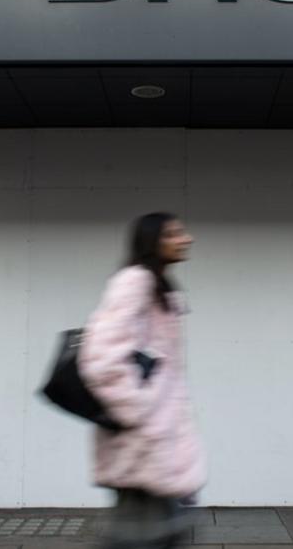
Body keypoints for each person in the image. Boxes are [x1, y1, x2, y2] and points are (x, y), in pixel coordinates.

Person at [78, 212, 206, 549]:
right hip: (141, 442)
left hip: (156, 443)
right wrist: (140, 412)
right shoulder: (134, 282)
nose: (186, 238)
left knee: (160, 533)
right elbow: (101, 357)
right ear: (153, 242)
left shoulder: (159, 287)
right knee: (140, 537)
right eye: (174, 233)